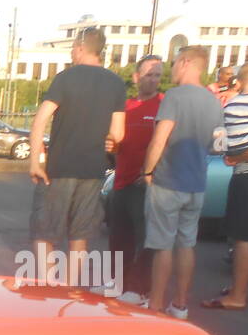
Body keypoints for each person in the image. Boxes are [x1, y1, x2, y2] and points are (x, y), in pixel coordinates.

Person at [29, 27, 126, 280]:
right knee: (80, 235)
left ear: (82, 48)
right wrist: (108, 143)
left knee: (46, 232)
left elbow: (40, 120)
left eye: (73, 47)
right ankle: (71, 290)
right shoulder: (116, 83)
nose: (72, 52)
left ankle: (49, 285)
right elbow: (118, 134)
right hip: (94, 170)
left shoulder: (66, 78)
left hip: (60, 168)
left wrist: (34, 162)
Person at [140, 45, 225, 317]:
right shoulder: (214, 100)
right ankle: (180, 305)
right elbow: (218, 144)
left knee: (162, 245)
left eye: (176, 62)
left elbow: (160, 138)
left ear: (187, 62)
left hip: (168, 181)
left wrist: (147, 171)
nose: (173, 68)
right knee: (187, 244)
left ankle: (155, 304)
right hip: (197, 183)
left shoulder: (175, 97)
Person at [201, 61, 248, 310]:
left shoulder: (234, 103)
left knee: (243, 237)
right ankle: (238, 288)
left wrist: (234, 157)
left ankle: (237, 296)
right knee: (245, 236)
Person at [105, 55, 164, 304]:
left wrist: (152, 172)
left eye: (158, 75)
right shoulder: (125, 106)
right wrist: (110, 148)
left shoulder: (164, 106)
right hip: (120, 181)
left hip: (146, 185)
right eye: (149, 74)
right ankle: (115, 283)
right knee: (118, 237)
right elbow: (114, 143)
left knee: (145, 240)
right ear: (136, 77)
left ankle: (139, 290)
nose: (154, 80)